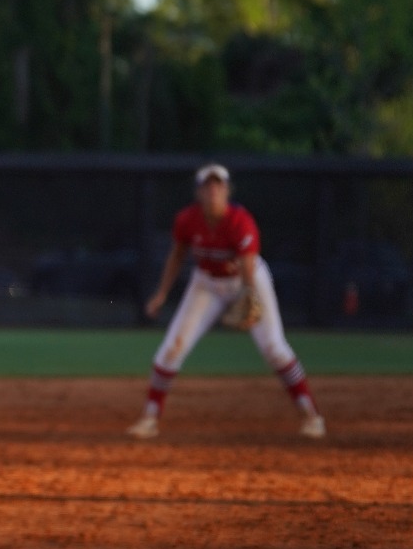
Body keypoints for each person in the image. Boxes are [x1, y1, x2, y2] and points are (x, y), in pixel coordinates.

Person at [126, 163, 326, 441]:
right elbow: (177, 255)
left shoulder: (239, 222)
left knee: (274, 348)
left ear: (228, 190)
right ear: (198, 192)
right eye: (207, 185)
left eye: (218, 185)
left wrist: (247, 298)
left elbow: (247, 265)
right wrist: (161, 293)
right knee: (173, 347)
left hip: (248, 280)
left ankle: (311, 416)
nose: (213, 190)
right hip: (206, 283)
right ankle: (149, 418)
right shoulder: (187, 220)